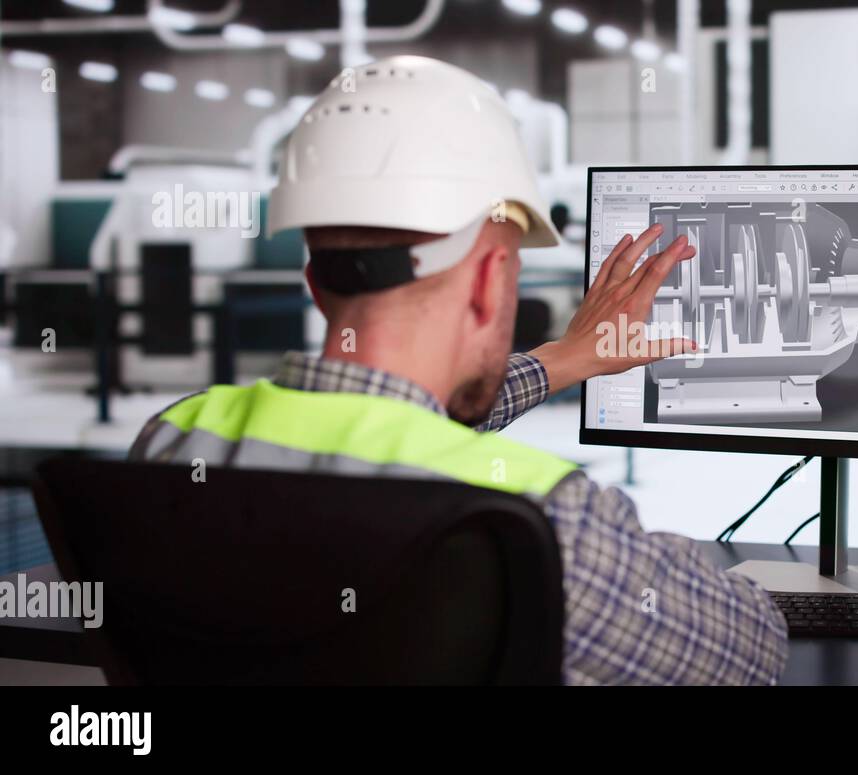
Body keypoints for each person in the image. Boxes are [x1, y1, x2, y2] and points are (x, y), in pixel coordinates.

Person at [127, 56, 788, 685]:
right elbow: (751, 652)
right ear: (490, 282)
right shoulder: (539, 522)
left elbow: (385, 422)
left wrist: (565, 356)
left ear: (316, 284)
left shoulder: (172, 439)